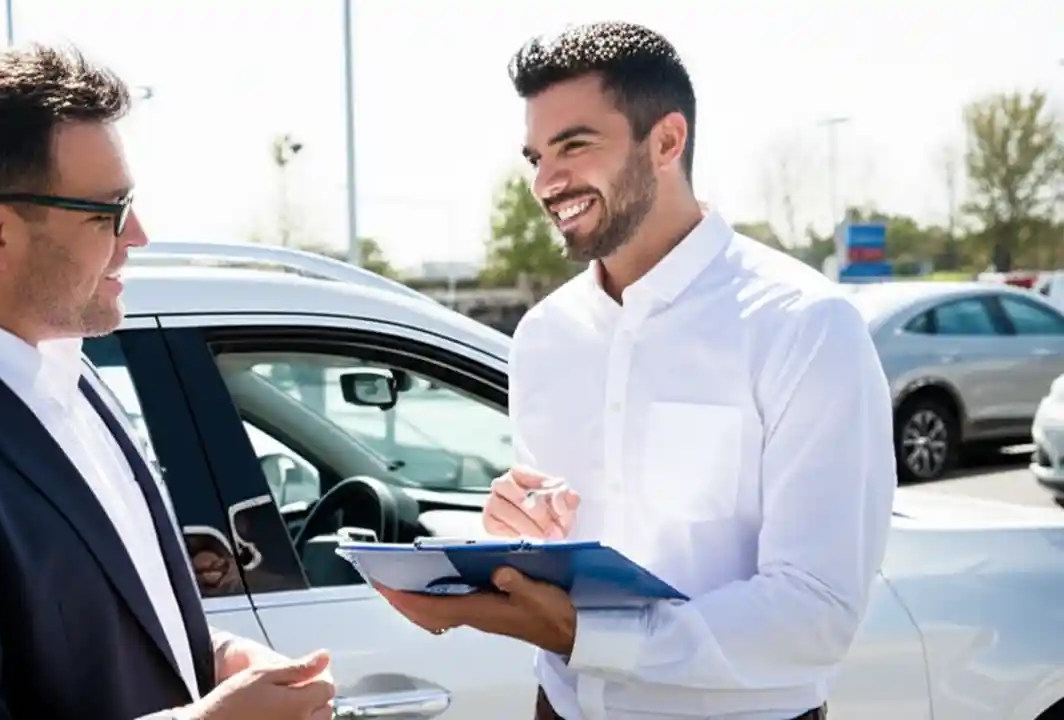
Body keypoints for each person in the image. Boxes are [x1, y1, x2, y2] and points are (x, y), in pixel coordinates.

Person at [0, 45, 333, 720]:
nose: (137, 234)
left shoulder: (68, 372)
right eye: (109, 209)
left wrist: (219, 660)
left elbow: (94, 633)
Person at [374, 21, 896, 720]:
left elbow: (818, 611)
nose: (547, 182)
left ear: (667, 142)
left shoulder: (802, 325)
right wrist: (511, 549)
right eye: (536, 156)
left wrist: (586, 634)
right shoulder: (544, 337)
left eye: (575, 145)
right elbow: (568, 562)